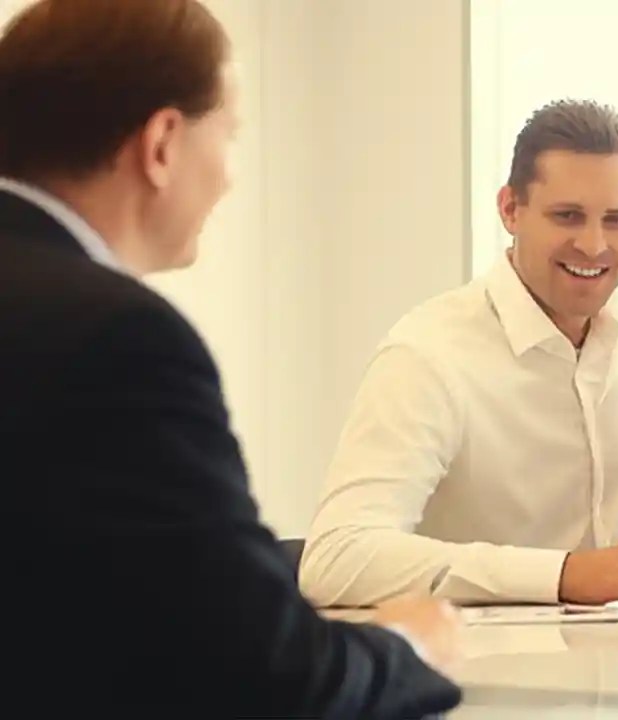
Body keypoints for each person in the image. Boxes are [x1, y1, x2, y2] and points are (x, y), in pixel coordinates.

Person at [0, 1, 461, 715]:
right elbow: (265, 669)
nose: (229, 177)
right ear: (162, 144)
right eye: (231, 136)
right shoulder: (118, 338)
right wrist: (412, 648)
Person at [300, 99, 618, 609]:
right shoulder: (429, 355)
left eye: (617, 220)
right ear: (510, 209)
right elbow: (336, 559)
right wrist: (561, 575)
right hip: (465, 680)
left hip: (608, 676)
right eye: (568, 216)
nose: (593, 244)